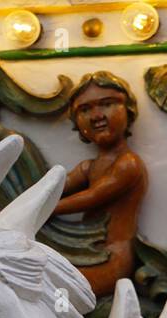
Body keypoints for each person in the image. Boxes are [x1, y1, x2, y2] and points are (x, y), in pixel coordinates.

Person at [53, 72, 147, 298]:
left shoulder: (128, 164)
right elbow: (59, 185)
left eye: (107, 104)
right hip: (85, 251)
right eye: (84, 110)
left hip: (110, 259)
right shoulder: (89, 167)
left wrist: (47, 209)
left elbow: (93, 196)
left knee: (58, 293)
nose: (96, 116)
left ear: (128, 110)